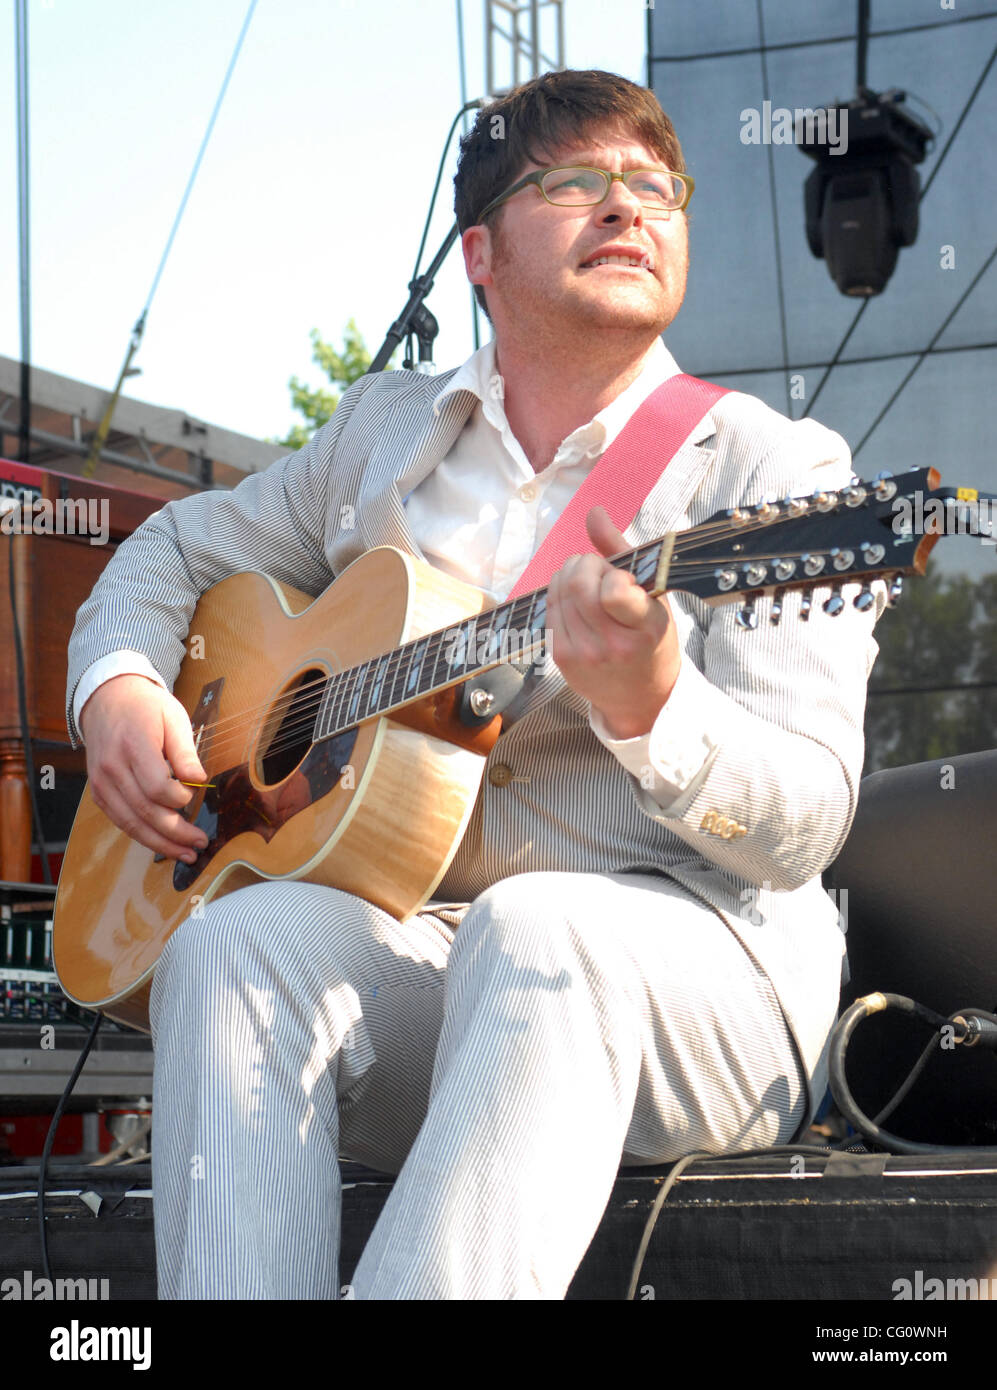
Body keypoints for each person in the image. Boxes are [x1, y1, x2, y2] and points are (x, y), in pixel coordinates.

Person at [66, 69, 885, 1299]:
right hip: (446, 973)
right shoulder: (381, 438)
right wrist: (120, 689)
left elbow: (804, 826)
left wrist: (657, 706)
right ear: (481, 253)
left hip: (711, 983)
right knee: (234, 944)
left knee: (537, 922)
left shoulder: (775, 471)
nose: (627, 209)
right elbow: (175, 550)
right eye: (575, 183)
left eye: (655, 187)